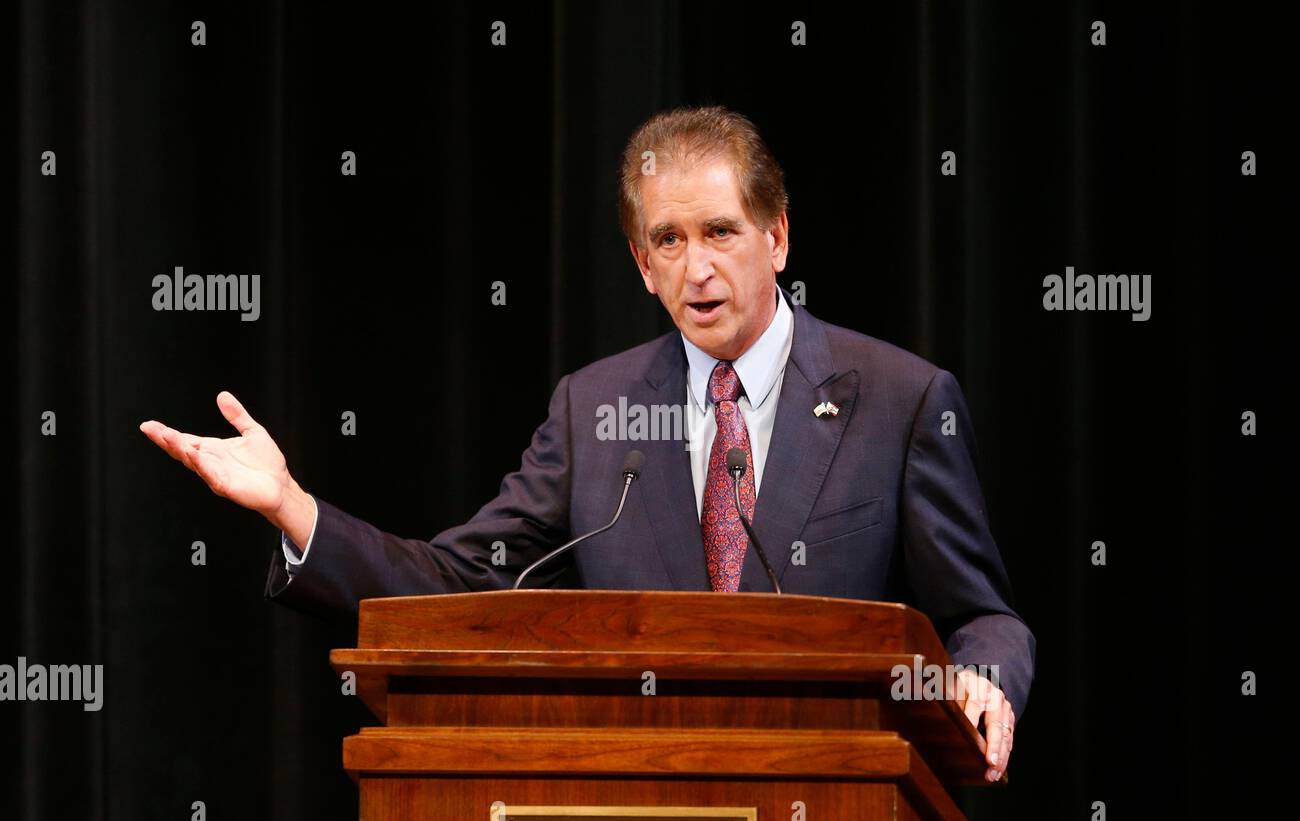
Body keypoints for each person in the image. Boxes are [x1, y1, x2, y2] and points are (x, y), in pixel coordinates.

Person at [140, 105, 1033, 783]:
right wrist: (294, 509)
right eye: (668, 241)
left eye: (721, 231)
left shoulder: (899, 399)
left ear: (778, 236)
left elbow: (981, 613)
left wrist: (981, 679)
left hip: (835, 802)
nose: (699, 267)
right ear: (642, 265)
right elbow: (455, 586)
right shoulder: (593, 410)